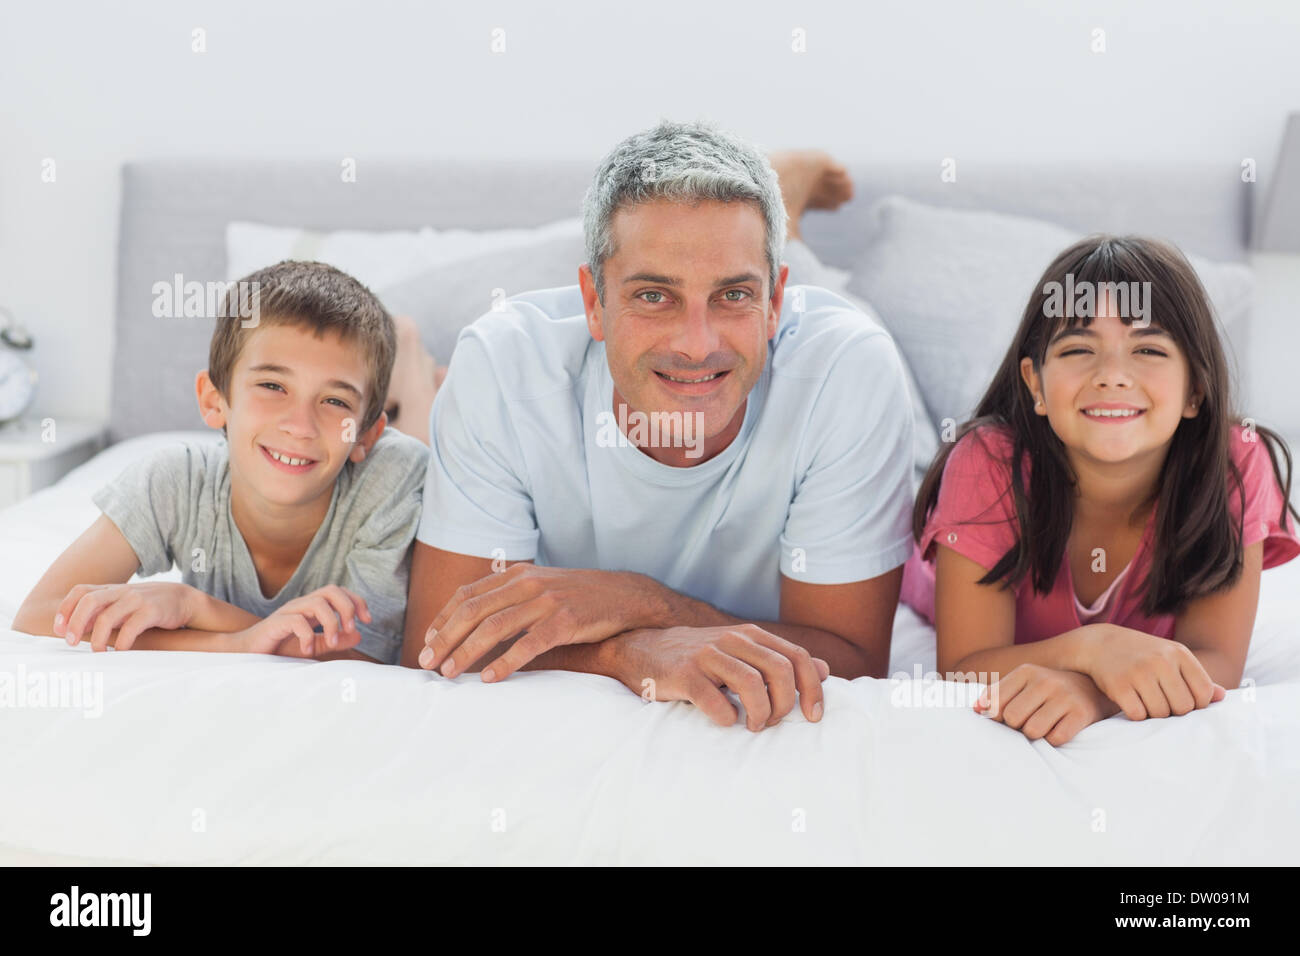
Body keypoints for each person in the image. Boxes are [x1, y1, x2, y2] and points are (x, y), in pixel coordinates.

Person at [403, 120, 918, 732]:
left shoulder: (848, 371)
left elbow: (855, 662)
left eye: (733, 295)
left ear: (776, 303)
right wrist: (627, 654)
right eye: (654, 296)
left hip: (835, 358)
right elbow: (437, 652)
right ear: (593, 303)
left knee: (860, 324)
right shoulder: (502, 365)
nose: (696, 345)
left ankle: (788, 212)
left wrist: (637, 600)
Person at [902, 235, 1300, 746]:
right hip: (931, 572)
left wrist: (1096, 692)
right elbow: (963, 667)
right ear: (1036, 385)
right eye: (1078, 349)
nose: (1112, 376)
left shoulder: (1236, 466)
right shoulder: (987, 462)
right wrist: (1094, 648)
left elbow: (1216, 661)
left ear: (1195, 389)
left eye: (1148, 349)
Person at [13, 261, 429, 664]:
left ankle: (416, 374)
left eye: (335, 400)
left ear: (365, 434)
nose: (300, 427)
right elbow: (40, 615)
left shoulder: (390, 477)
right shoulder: (176, 481)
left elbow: (366, 659)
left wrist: (196, 607)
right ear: (214, 401)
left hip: (394, 447)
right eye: (272, 385)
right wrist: (236, 641)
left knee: (424, 439)